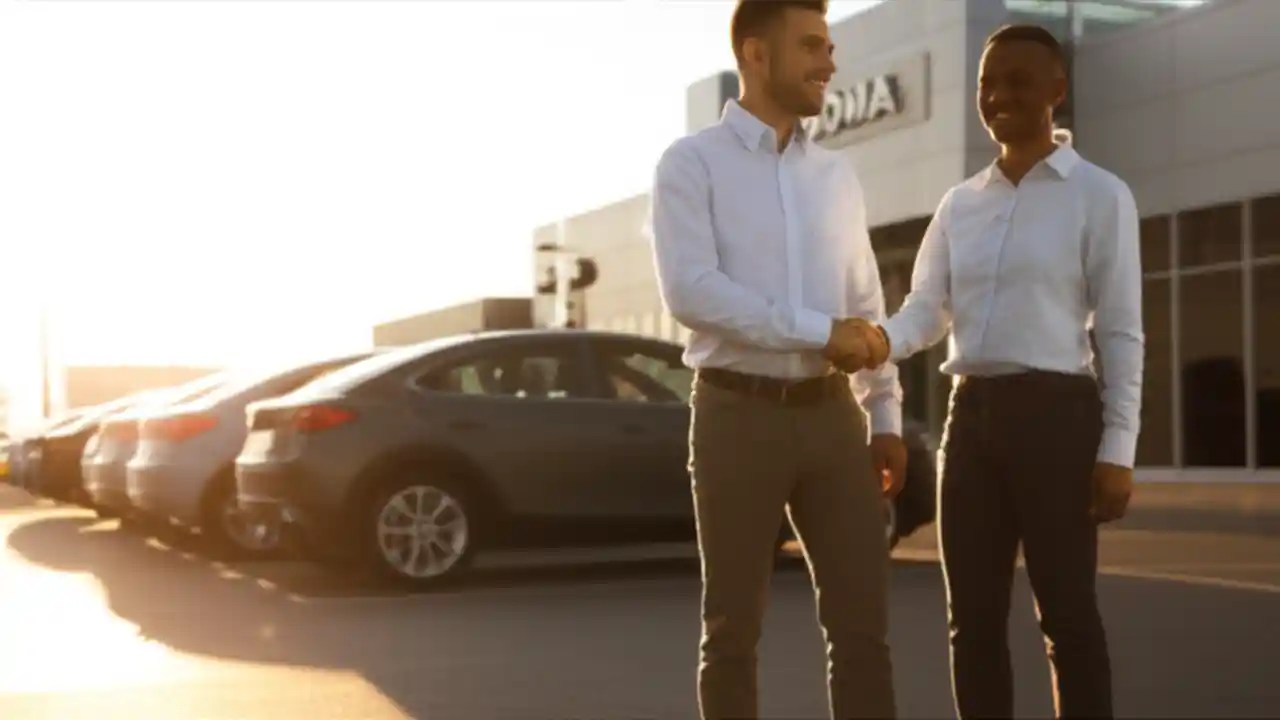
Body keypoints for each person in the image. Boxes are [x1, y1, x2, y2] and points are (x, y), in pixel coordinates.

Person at [859, 23, 1143, 720]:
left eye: (1017, 81)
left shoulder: (1100, 196)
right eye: (988, 83)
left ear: (1056, 89)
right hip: (972, 422)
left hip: (1059, 418)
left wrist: (1118, 450)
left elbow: (1121, 332)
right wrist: (874, 343)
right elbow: (926, 311)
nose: (998, 96)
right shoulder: (962, 204)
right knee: (973, 626)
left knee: (1068, 619)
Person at [650, 2, 905, 718]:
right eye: (813, 46)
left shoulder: (838, 176)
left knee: (863, 632)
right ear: (756, 54)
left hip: (833, 419)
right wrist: (817, 331)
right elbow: (692, 291)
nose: (829, 61)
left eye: (829, 46)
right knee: (731, 631)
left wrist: (884, 411)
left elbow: (866, 302)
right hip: (736, 415)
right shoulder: (690, 163)